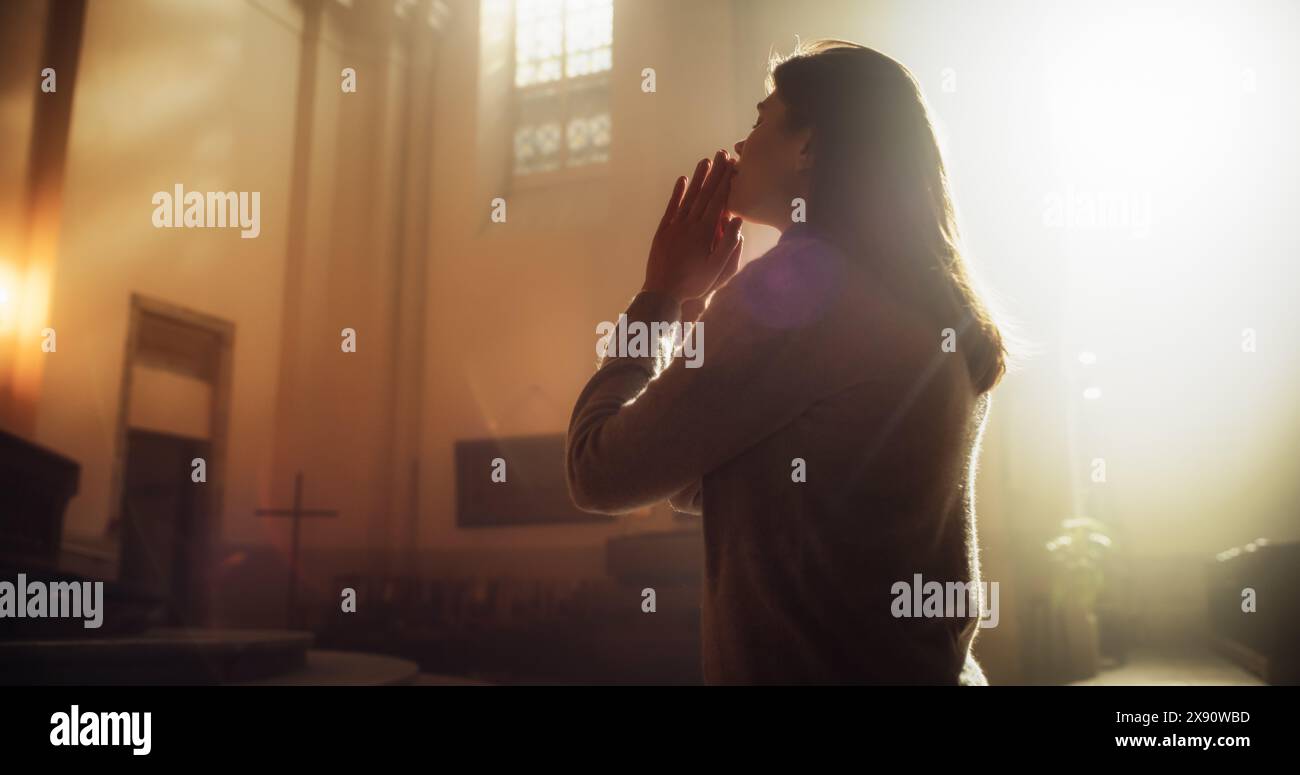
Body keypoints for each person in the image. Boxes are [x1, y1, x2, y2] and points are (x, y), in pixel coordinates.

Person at [566, 39, 1009, 685]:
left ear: (809, 147)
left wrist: (658, 295)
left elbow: (598, 470)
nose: (740, 145)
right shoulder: (930, 299)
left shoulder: (805, 291)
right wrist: (697, 304)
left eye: (759, 119)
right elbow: (706, 481)